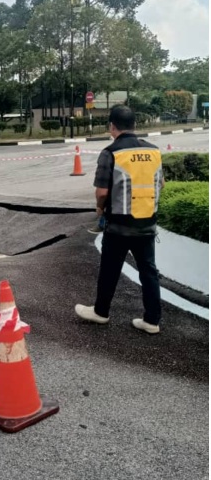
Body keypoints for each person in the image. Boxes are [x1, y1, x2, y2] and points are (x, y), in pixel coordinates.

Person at [75, 105, 165, 334]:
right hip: (147, 222)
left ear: (111, 126)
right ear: (135, 125)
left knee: (110, 269)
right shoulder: (154, 151)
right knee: (149, 271)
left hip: (119, 225)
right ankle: (152, 321)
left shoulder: (111, 152)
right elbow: (161, 184)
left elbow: (102, 191)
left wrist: (99, 209)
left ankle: (101, 312)